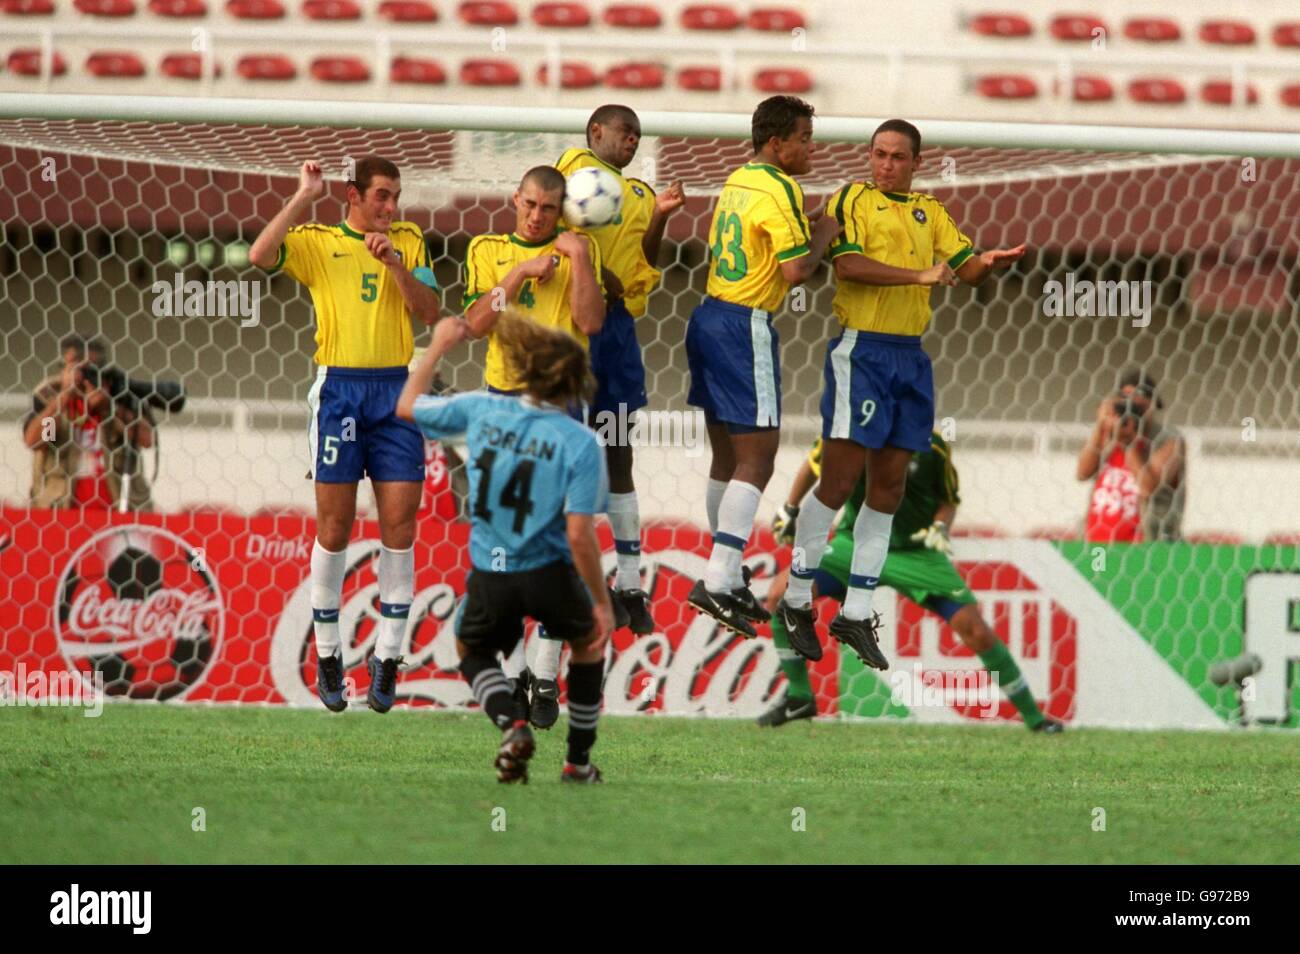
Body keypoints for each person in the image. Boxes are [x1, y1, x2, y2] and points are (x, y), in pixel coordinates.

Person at [780, 118, 1026, 669]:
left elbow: (965, 270)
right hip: (861, 352)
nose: (886, 164)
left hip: (911, 359)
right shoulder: (850, 200)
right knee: (839, 480)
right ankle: (797, 599)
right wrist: (919, 277)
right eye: (879, 154)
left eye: (897, 157)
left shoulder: (931, 213)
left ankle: (856, 611)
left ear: (918, 163)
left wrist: (988, 265)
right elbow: (846, 264)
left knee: (888, 485)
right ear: (870, 157)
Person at [249, 156, 441, 714]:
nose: (391, 207)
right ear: (352, 196)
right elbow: (260, 255)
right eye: (381, 196)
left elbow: (430, 312)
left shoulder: (408, 239)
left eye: (396, 196)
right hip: (339, 392)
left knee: (400, 526)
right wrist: (304, 194)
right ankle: (329, 652)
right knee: (334, 526)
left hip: (397, 393)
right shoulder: (317, 240)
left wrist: (397, 268)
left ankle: (387, 657)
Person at [515, 107, 687, 724]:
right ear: (594, 136)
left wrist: (661, 220)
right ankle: (531, 671)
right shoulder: (569, 173)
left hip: (617, 331)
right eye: (623, 131)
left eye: (639, 134)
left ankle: (632, 582)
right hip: (569, 323)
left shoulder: (638, 194)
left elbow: (644, 268)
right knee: (567, 500)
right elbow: (544, 231)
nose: (633, 140)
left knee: (618, 451)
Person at [396, 313, 615, 784]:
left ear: (526, 371)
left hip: (491, 574)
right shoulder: (582, 443)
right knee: (587, 643)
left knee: (469, 648)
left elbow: (408, 407)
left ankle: (513, 724)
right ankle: (577, 763)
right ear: (575, 384)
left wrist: (437, 346)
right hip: (550, 571)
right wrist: (600, 601)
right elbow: (580, 534)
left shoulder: (481, 410)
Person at [763, 437, 1063, 732]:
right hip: (855, 544)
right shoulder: (850, 430)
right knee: (782, 595)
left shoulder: (931, 447)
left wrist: (940, 528)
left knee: (975, 630)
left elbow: (948, 502)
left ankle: (1035, 720)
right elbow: (813, 466)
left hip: (914, 554)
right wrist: (789, 508)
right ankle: (800, 696)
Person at [685, 95, 843, 638]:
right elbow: (798, 269)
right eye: (803, 138)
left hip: (707, 316)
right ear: (777, 142)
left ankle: (725, 577)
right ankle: (718, 576)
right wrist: (830, 228)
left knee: (726, 457)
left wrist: (810, 223)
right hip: (743, 327)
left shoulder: (740, 179)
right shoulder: (781, 187)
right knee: (760, 458)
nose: (810, 148)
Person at [461, 164, 612, 727]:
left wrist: (580, 260)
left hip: (559, 410)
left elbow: (592, 321)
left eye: (547, 209)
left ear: (561, 211)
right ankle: (520, 666)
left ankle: (547, 675)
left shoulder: (580, 249)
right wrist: (522, 272)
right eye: (529, 204)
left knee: (559, 543)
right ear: (514, 200)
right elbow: (476, 324)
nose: (536, 215)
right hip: (500, 406)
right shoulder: (487, 249)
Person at [22, 333, 154, 511]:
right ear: (63, 370)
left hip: (119, 511)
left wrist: (108, 409)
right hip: (60, 512)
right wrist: (63, 398)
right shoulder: (49, 396)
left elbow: (146, 439)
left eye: (91, 369)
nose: (83, 375)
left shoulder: (120, 394)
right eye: (77, 367)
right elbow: (37, 441)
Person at [1077, 369, 1185, 542]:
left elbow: (1147, 488)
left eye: (1137, 397)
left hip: (1147, 543)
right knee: (1098, 567)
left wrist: (1129, 443)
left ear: (1151, 404)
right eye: (1124, 397)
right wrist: (1101, 425)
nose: (1131, 403)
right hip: (1098, 541)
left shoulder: (1168, 440)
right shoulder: (1109, 435)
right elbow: (1082, 473)